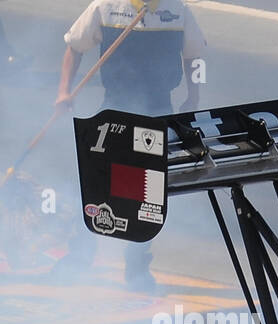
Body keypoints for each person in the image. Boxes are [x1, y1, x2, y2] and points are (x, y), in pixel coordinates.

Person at [54, 0, 206, 291]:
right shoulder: (107, 6)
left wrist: (194, 95)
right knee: (96, 181)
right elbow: (74, 46)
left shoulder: (179, 10)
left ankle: (137, 270)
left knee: (146, 193)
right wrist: (64, 90)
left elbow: (196, 58)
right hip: (113, 109)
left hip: (159, 111)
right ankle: (79, 257)